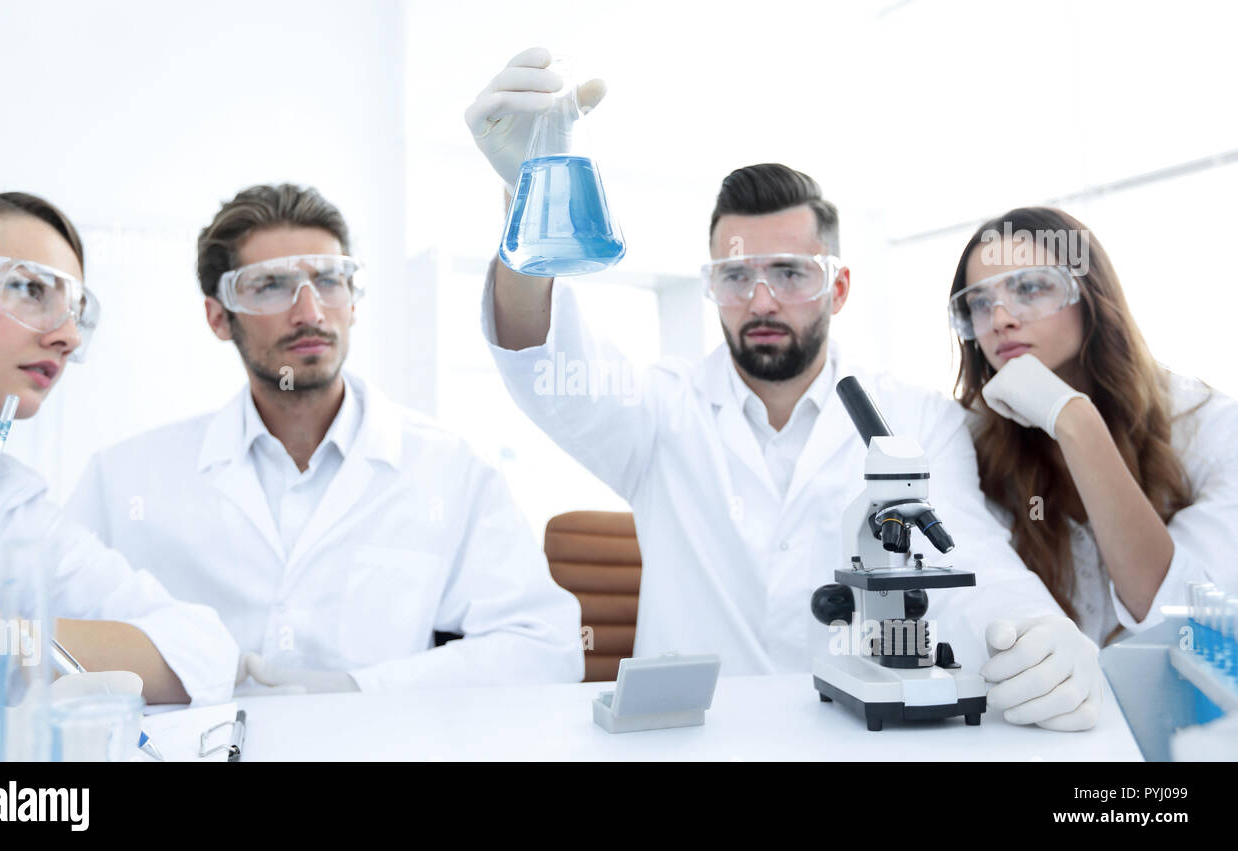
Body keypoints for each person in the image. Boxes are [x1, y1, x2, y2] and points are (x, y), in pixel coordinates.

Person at [463, 47, 1103, 730]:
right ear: (713, 287)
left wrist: (1033, 629)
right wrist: (527, 206)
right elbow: (541, 356)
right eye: (737, 276)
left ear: (840, 285)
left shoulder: (915, 418)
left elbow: (968, 554)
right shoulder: (660, 409)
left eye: (791, 273)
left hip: (856, 739)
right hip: (690, 744)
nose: (762, 299)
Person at [65, 183, 584, 694]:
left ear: (353, 301)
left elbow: (544, 647)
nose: (310, 312)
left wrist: (362, 689)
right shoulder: (125, 477)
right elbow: (48, 638)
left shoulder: (448, 468)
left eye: (330, 281)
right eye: (270, 285)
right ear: (219, 317)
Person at [0, 188, 237, 706]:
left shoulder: (8, 506)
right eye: (29, 290)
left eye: (76, 310)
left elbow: (201, 651)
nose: (69, 336)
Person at [948, 206, 1238, 646]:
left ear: (1089, 292)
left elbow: (1172, 609)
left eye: (1029, 287)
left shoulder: (1208, 426)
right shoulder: (967, 440)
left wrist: (1075, 421)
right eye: (980, 303)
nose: (1001, 319)